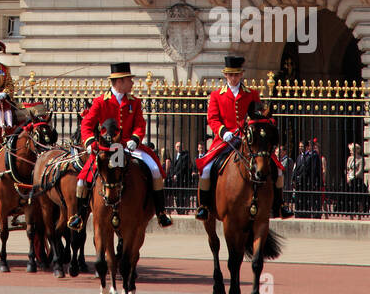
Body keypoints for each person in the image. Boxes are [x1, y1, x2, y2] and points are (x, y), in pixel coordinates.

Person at [71, 61, 173, 230]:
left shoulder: (135, 102)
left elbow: (140, 124)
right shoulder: (100, 102)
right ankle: (79, 216)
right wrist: (89, 142)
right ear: (119, 82)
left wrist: (135, 138)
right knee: (83, 178)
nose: (132, 83)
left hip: (127, 146)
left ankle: (161, 211)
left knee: (155, 169)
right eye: (129, 80)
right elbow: (87, 125)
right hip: (106, 148)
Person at [195, 55, 288, 220]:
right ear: (225, 75)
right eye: (230, 75)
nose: (233, 78)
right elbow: (213, 119)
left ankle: (280, 205)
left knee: (277, 168)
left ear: (241, 74)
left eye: (236, 74)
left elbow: (259, 116)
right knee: (207, 169)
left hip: (249, 140)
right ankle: (204, 206)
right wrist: (224, 132)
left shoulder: (251, 94)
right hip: (225, 141)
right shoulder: (217, 95)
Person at [170, 140, 192, 214]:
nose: (178, 148)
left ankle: (182, 209)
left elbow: (183, 167)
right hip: (175, 178)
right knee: (176, 194)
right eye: (177, 146)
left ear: (183, 147)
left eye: (180, 146)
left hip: (182, 178)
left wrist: (177, 175)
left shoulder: (186, 155)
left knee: (181, 194)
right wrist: (172, 174)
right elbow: (172, 166)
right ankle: (178, 208)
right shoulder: (175, 156)